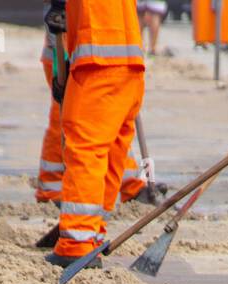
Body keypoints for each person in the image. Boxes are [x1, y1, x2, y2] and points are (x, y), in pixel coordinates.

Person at [44, 0, 147, 269]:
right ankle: (93, 234)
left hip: (98, 64)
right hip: (130, 65)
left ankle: (77, 243)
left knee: (85, 151)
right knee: (111, 154)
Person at [35, 37, 148, 208]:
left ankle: (130, 185)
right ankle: (54, 189)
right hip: (79, 59)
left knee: (114, 125)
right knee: (72, 124)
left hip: (111, 61)